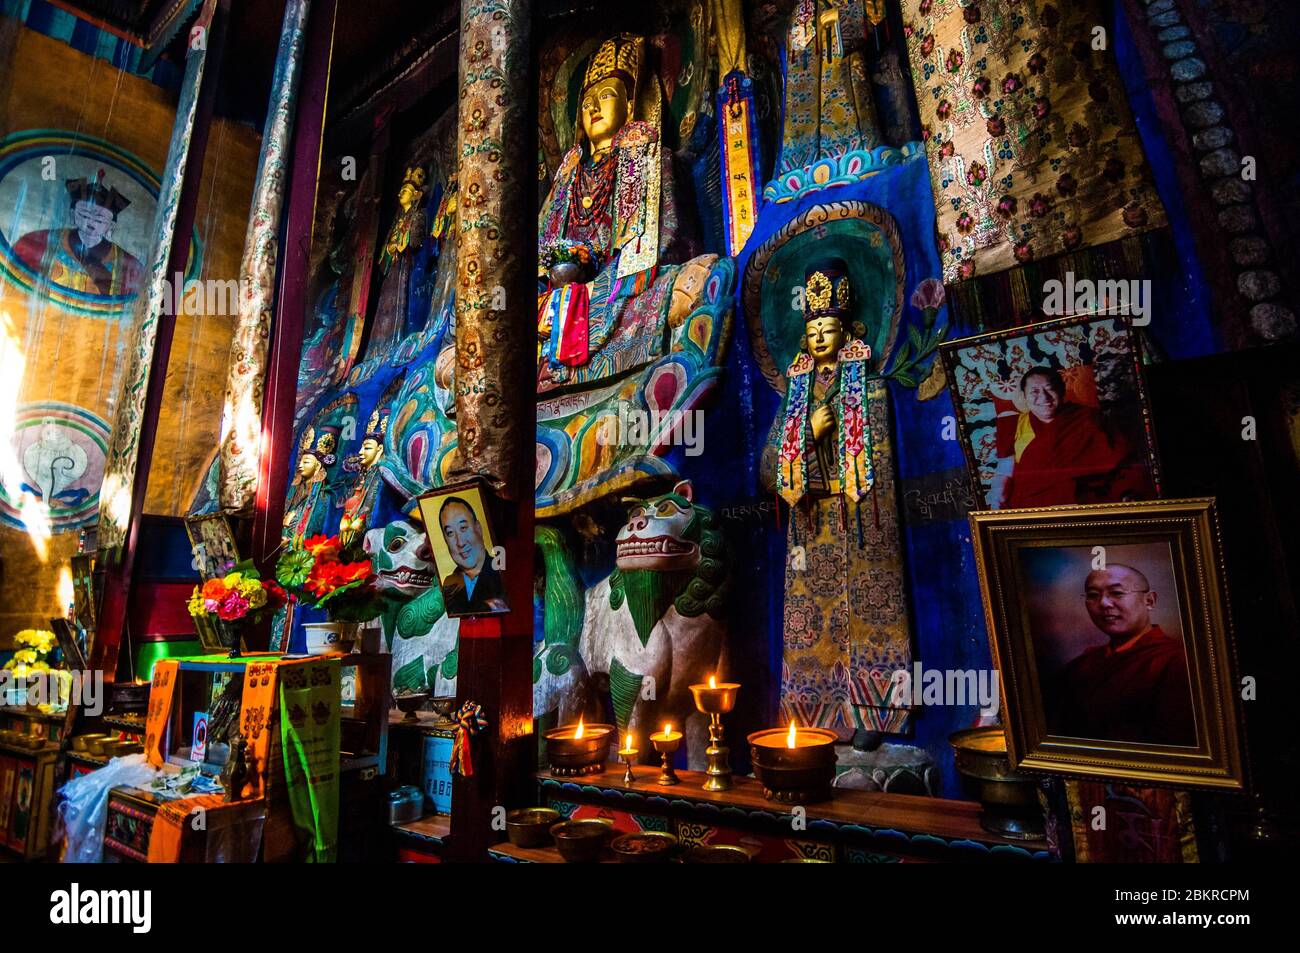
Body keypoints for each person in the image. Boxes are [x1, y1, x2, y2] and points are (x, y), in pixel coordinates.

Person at [1049, 564, 1196, 746]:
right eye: (1093, 595)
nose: (1104, 603)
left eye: (1117, 593)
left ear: (1149, 601)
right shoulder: (1081, 666)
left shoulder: (1177, 661)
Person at [987, 366, 1140, 509]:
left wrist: (1126, 492)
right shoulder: (1014, 425)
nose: (1044, 397)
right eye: (1034, 391)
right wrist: (996, 503)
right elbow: (1004, 473)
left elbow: (1123, 463)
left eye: (1050, 389)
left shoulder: (1088, 418)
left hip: (1084, 503)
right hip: (1032, 508)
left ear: (1062, 391)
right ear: (1024, 396)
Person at [13, 170, 143, 297]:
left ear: (111, 226)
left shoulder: (130, 266)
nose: (91, 222)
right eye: (84, 214)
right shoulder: (39, 241)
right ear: (72, 214)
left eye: (99, 219)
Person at [438, 496, 507, 615]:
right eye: (450, 533)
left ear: (478, 528)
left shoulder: (502, 572)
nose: (460, 542)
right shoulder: (450, 583)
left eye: (463, 528)